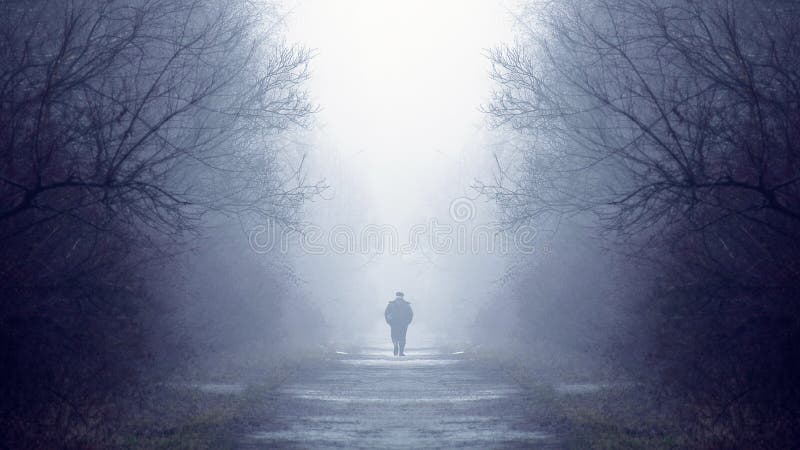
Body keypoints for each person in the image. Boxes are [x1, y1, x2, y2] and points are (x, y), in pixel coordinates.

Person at [384, 291, 413, 356]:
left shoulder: (391, 304)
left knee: (394, 336)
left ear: (396, 296)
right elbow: (411, 314)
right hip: (403, 324)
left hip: (393, 323)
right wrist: (408, 322)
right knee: (402, 337)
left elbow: (386, 313)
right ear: (402, 297)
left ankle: (395, 345)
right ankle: (401, 352)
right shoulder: (406, 305)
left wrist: (389, 322)